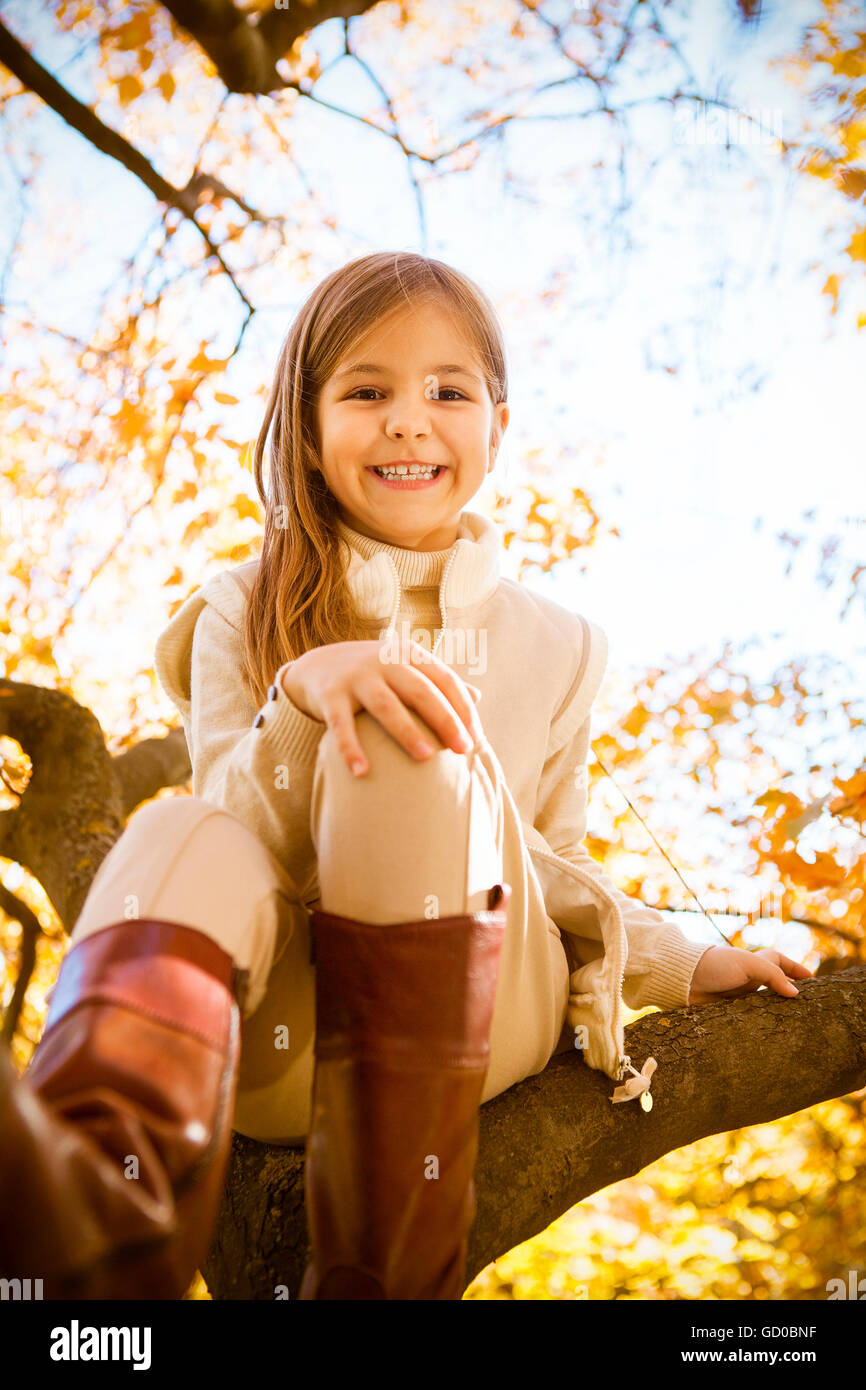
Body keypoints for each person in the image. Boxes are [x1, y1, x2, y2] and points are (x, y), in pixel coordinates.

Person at [1, 251, 811, 1301]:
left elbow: (555, 861)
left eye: (447, 390)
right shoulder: (237, 607)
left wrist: (686, 957)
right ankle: (85, 1230)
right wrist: (298, 695)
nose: (407, 419)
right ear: (307, 428)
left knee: (406, 726)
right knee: (167, 831)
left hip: (474, 1020)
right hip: (278, 1038)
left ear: (497, 427)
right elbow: (231, 843)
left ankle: (380, 1279)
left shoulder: (559, 644)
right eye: (365, 390)